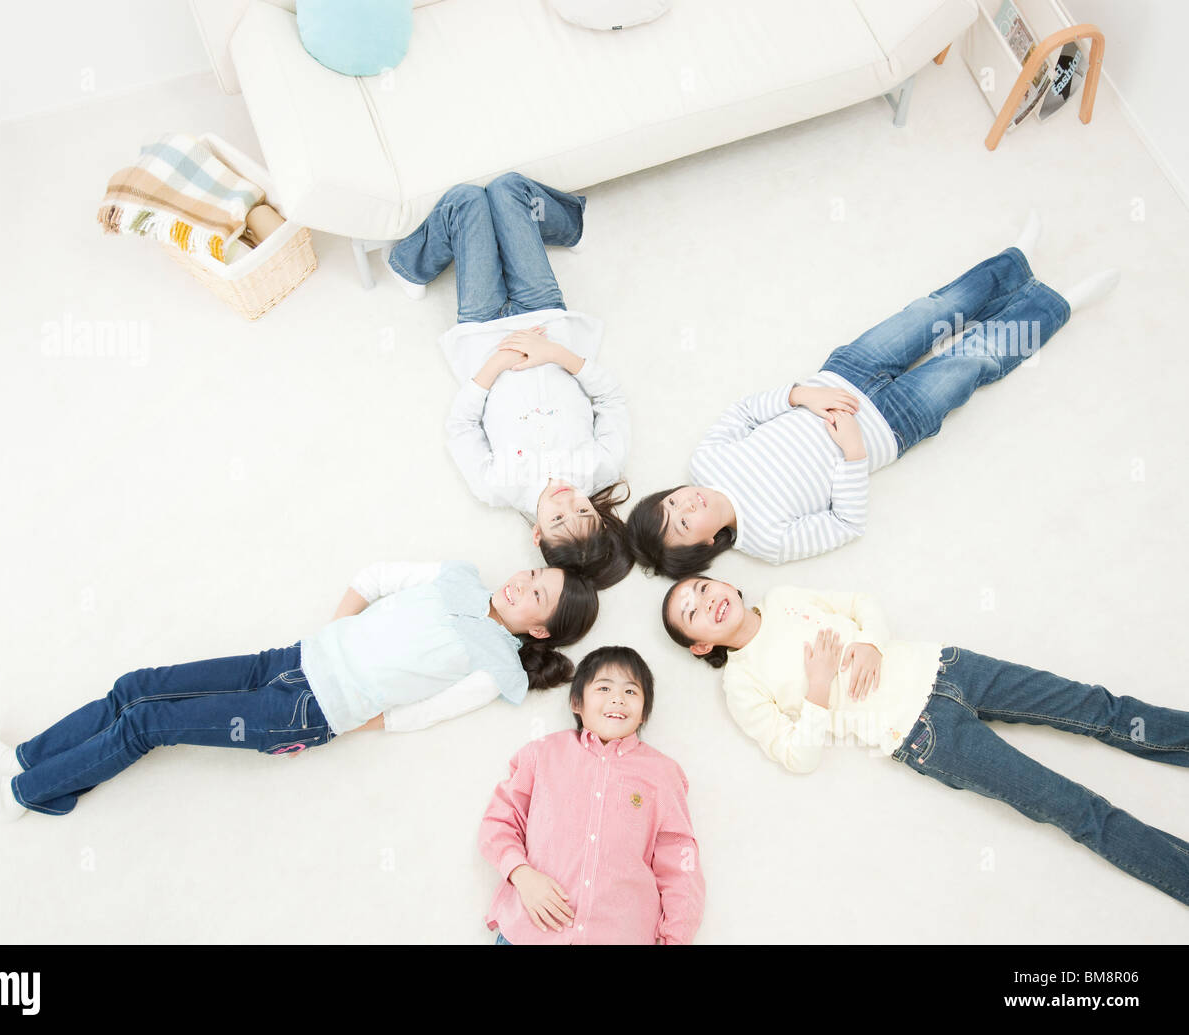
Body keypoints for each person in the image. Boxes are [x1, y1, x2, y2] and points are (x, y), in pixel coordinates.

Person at [627, 213, 1120, 575]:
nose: (685, 505)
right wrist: (852, 453)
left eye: (671, 503)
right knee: (975, 358)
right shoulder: (766, 541)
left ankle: (1014, 263)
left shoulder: (707, 461)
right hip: (893, 425)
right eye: (683, 523)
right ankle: (1057, 305)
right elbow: (846, 524)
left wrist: (802, 396)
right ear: (709, 543)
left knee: (931, 311)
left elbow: (744, 412)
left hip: (843, 377)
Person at [660, 576, 1189, 907]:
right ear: (701, 644)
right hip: (924, 736)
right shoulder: (740, 683)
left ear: (728, 585)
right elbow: (797, 756)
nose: (706, 601)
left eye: (704, 588)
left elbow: (863, 603)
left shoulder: (785, 597)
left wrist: (869, 643)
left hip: (948, 666)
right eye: (692, 612)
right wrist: (819, 689)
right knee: (1075, 808)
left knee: (1097, 706)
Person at [0, 561, 599, 818]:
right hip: (289, 658)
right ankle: (30, 763)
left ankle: (17, 796)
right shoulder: (455, 576)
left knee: (147, 724)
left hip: (303, 710)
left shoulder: (494, 669)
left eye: (536, 594)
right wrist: (330, 643)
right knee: (135, 687)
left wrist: (333, 713)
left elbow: (413, 717)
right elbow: (372, 578)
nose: (523, 582)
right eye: (535, 571)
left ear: (538, 627)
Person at [385, 172, 632, 589]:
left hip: (482, 336)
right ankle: (568, 223)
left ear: (537, 532)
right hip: (546, 320)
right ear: (599, 511)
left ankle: (411, 263)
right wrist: (555, 354)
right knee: (507, 189)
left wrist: (495, 364)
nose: (567, 502)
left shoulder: (497, 487)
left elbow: (460, 428)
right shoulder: (602, 465)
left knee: (465, 201)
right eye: (584, 512)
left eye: (557, 519)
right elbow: (610, 399)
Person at [478, 645, 705, 944]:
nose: (617, 698)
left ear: (644, 712)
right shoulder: (541, 755)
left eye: (631, 692)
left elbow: (680, 866)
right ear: (577, 702)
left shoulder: (663, 775)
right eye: (604, 687)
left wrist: (675, 938)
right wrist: (523, 876)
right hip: (531, 931)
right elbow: (498, 824)